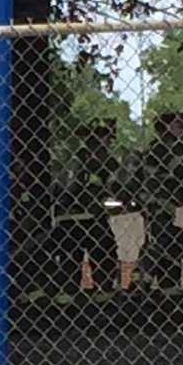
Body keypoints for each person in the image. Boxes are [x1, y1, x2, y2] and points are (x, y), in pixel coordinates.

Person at [131, 110, 183, 293]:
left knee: (171, 242)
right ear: (168, 127)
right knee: (161, 242)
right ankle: (140, 284)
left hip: (156, 205)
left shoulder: (155, 147)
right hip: (158, 205)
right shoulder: (167, 148)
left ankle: (168, 287)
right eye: (179, 125)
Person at [55, 120, 122, 296]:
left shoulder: (98, 160)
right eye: (105, 137)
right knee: (98, 250)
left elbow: (118, 184)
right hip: (80, 216)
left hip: (83, 216)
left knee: (97, 251)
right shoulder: (86, 160)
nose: (108, 142)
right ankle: (87, 291)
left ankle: (89, 291)